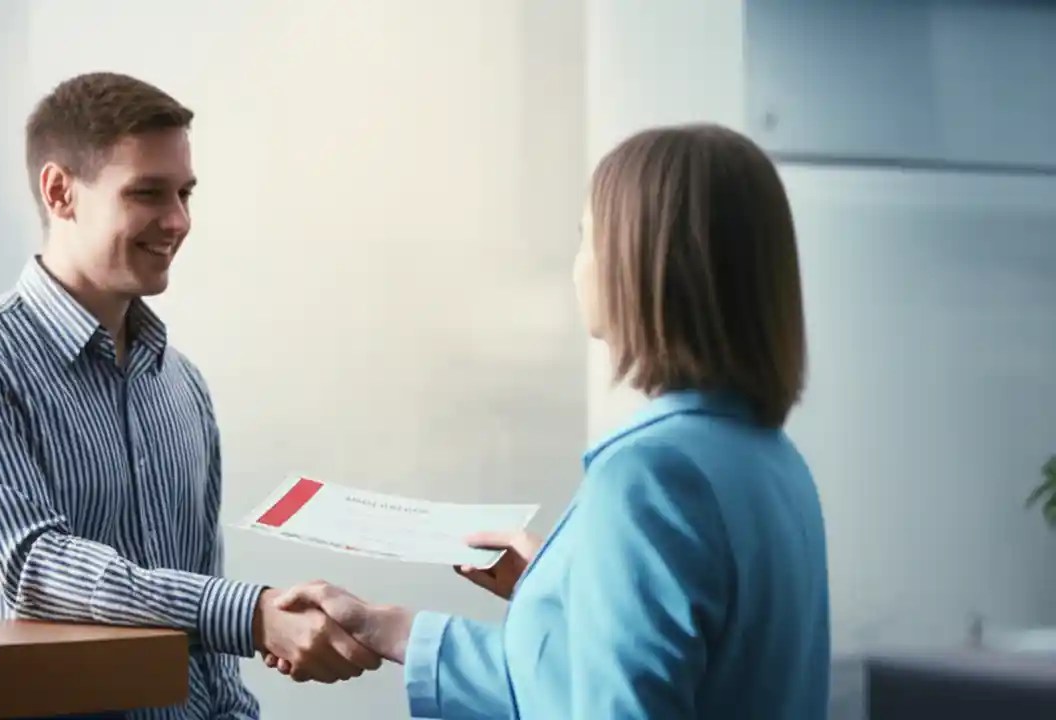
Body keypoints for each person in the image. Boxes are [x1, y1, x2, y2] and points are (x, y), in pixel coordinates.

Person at [268, 124, 830, 719]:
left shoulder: (650, 477)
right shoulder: (770, 459)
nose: (577, 268)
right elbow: (614, 677)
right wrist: (558, 591)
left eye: (587, 239)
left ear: (641, 261)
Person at [0, 71, 380, 720]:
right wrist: (252, 614)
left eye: (184, 193)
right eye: (147, 193)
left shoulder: (181, 386)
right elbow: (35, 570)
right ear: (60, 191)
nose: (177, 220)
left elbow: (205, 639)